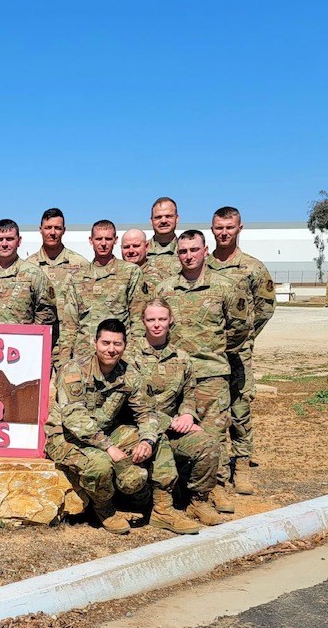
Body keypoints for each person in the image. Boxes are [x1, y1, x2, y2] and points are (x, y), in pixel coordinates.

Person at [153, 229, 250, 514]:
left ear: (204, 250)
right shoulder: (166, 289)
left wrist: (215, 351)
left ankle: (216, 489)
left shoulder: (224, 287)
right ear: (177, 253)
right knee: (177, 431)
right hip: (176, 374)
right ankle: (183, 485)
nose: (189, 256)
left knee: (215, 433)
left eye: (194, 250)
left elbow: (240, 327)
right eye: (183, 251)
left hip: (211, 374)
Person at [44, 319, 158, 535]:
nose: (111, 349)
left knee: (142, 438)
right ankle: (104, 508)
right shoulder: (74, 369)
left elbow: (146, 412)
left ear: (125, 345)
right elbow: (73, 419)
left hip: (103, 433)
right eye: (106, 343)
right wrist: (108, 447)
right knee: (100, 465)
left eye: (117, 344)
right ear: (95, 342)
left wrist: (147, 440)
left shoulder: (129, 374)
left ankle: (146, 496)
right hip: (65, 437)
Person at [129, 298, 224, 529]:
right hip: (140, 429)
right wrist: (172, 422)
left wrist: (188, 416)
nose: (157, 324)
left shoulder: (182, 358)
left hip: (173, 428)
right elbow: (131, 403)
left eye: (162, 319)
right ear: (143, 322)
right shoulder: (129, 356)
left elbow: (189, 394)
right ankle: (163, 508)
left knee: (208, 445)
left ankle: (197, 501)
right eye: (151, 319)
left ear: (171, 320)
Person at [209, 206, 276, 496]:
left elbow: (265, 309)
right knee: (213, 411)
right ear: (212, 229)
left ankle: (242, 464)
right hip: (210, 354)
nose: (224, 233)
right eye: (219, 228)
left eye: (229, 227)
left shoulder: (253, 267)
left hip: (237, 354)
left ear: (239, 228)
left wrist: (243, 339)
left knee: (239, 408)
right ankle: (219, 467)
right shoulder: (203, 264)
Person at [58, 220, 145, 366]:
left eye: (108, 239)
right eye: (99, 239)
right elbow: (69, 325)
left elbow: (137, 320)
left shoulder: (130, 272)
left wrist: (134, 357)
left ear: (115, 240)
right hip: (84, 357)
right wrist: (63, 363)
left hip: (118, 356)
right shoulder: (77, 277)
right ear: (91, 241)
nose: (103, 243)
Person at [27, 207, 85, 290]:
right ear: (40, 230)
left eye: (57, 228)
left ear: (64, 230)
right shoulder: (29, 265)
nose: (53, 233)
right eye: (48, 228)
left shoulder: (81, 264)